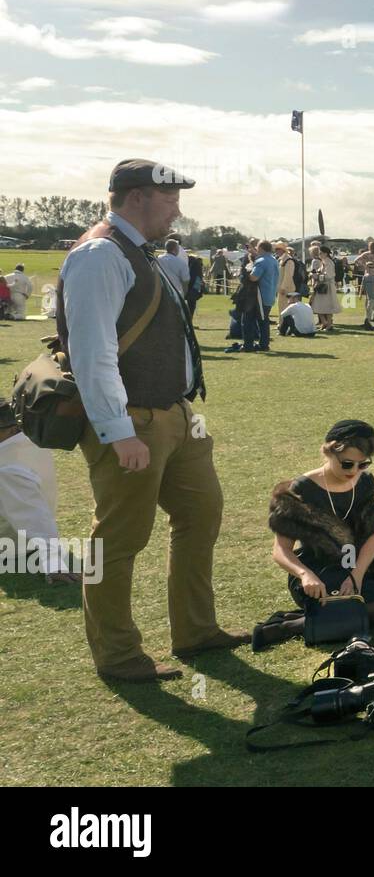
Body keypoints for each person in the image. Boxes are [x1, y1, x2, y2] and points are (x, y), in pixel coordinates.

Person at [57, 159, 246, 681]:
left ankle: (195, 630)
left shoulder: (137, 251)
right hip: (133, 420)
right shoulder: (100, 254)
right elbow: (92, 354)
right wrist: (118, 432)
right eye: (170, 201)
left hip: (173, 414)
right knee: (117, 541)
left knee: (201, 514)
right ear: (138, 197)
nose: (178, 211)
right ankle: (118, 657)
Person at [255, 420, 374, 649]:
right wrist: (305, 575)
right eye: (346, 464)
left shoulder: (367, 485)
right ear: (328, 451)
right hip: (318, 574)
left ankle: (309, 618)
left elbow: (372, 542)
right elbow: (280, 550)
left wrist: (356, 575)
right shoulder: (300, 490)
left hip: (361, 566)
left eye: (362, 464)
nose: (354, 471)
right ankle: (286, 628)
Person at [0, 402, 80, 583]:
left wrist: (53, 564)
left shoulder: (7, 469)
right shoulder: (30, 441)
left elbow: (33, 516)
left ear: (11, 429)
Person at [309, 244, 341, 331]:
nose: (319, 255)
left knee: (327, 307)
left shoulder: (329, 263)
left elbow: (329, 276)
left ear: (326, 253)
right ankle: (324, 323)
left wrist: (316, 276)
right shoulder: (323, 262)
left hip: (327, 287)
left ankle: (328, 324)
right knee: (318, 306)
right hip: (321, 286)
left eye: (321, 253)